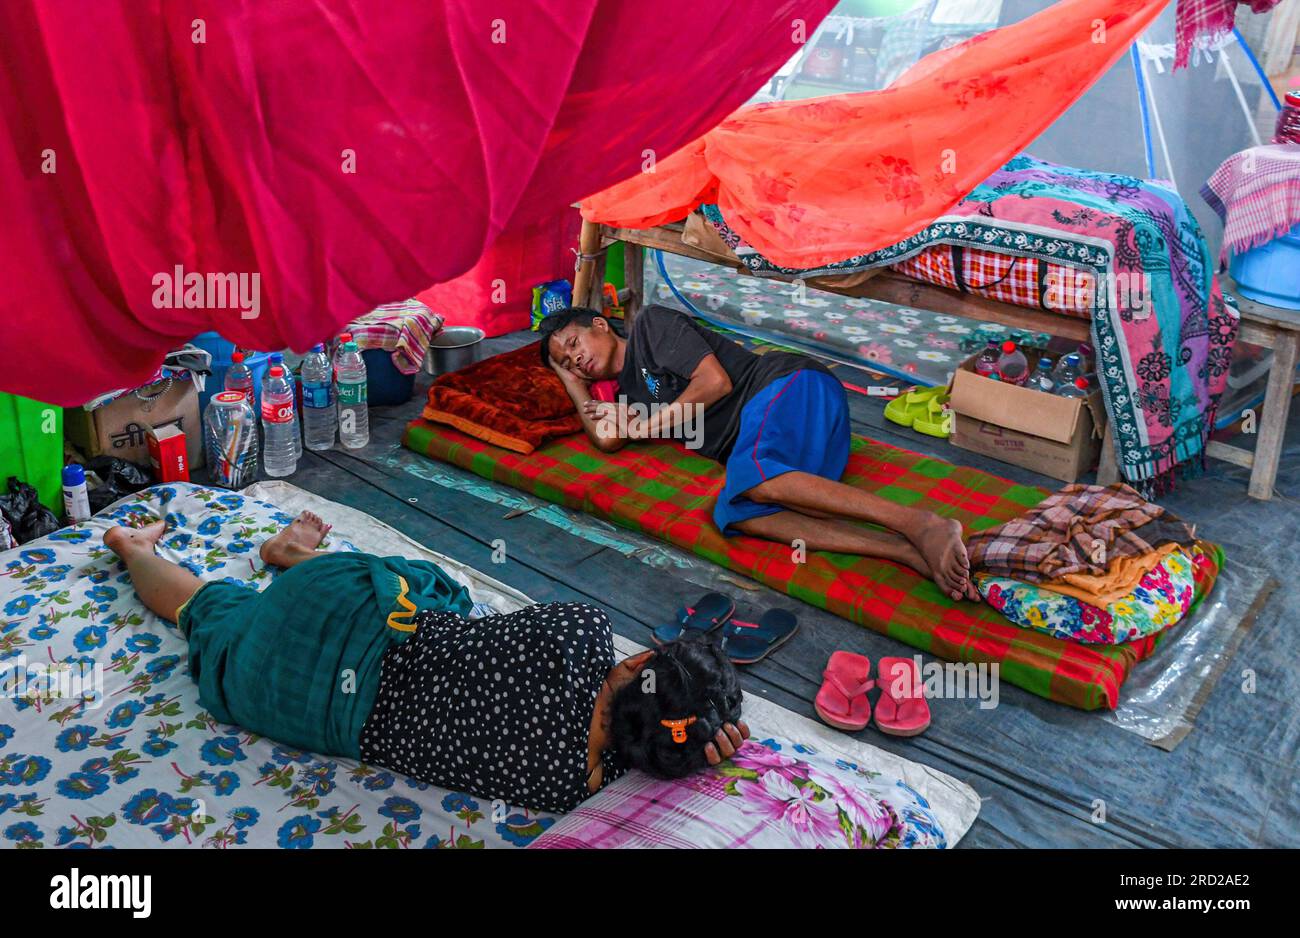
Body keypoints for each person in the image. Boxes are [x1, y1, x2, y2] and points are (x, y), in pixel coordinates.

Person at [103, 511, 750, 814]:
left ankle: (284, 556)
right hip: (292, 698)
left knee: (431, 592)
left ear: (639, 660)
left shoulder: (578, 634)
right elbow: (651, 743)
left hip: (334, 611)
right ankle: (132, 549)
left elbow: (488, 631)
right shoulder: (579, 788)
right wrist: (693, 743)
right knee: (203, 612)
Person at [540, 305, 976, 601]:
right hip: (780, 444)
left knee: (755, 475)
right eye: (566, 359)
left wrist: (643, 425)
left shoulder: (651, 328)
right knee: (736, 511)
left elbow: (715, 384)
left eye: (574, 344)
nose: (576, 359)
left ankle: (922, 523)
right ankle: (902, 550)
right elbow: (607, 440)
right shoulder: (625, 393)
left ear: (600, 324)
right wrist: (570, 382)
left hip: (787, 387)